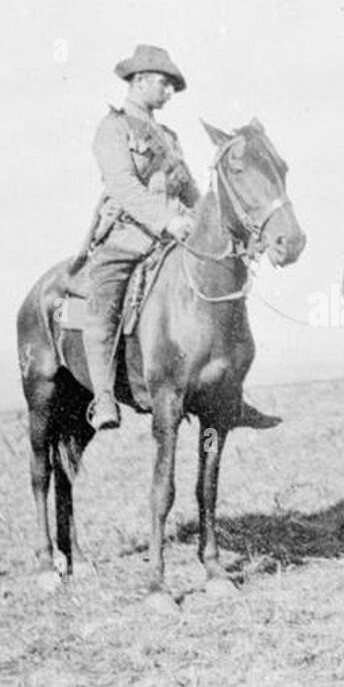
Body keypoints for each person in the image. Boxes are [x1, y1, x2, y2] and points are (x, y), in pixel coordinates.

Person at [79, 44, 278, 431]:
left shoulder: (167, 137)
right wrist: (166, 221)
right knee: (104, 298)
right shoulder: (114, 128)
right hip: (129, 234)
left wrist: (216, 225)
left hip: (178, 235)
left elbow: (190, 192)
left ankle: (229, 392)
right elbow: (122, 185)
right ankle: (103, 397)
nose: (169, 92)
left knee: (224, 282)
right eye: (164, 83)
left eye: (172, 86)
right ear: (138, 81)